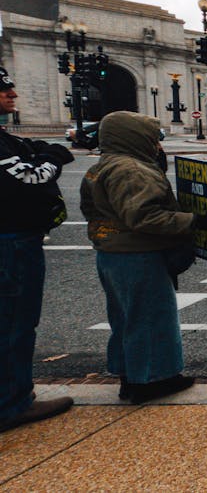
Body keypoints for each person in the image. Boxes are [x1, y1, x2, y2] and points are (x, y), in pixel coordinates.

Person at [81, 111, 207, 404]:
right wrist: (194, 221)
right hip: (138, 253)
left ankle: (130, 373)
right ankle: (150, 380)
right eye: (153, 139)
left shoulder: (102, 167)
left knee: (125, 317)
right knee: (151, 317)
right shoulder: (132, 170)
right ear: (134, 137)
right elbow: (145, 216)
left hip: (111, 251)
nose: (157, 145)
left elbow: (92, 209)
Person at [0, 70, 76, 432]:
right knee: (15, 322)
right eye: (3, 89)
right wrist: (55, 157)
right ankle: (12, 403)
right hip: (11, 242)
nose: (12, 93)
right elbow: (32, 177)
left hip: (13, 240)